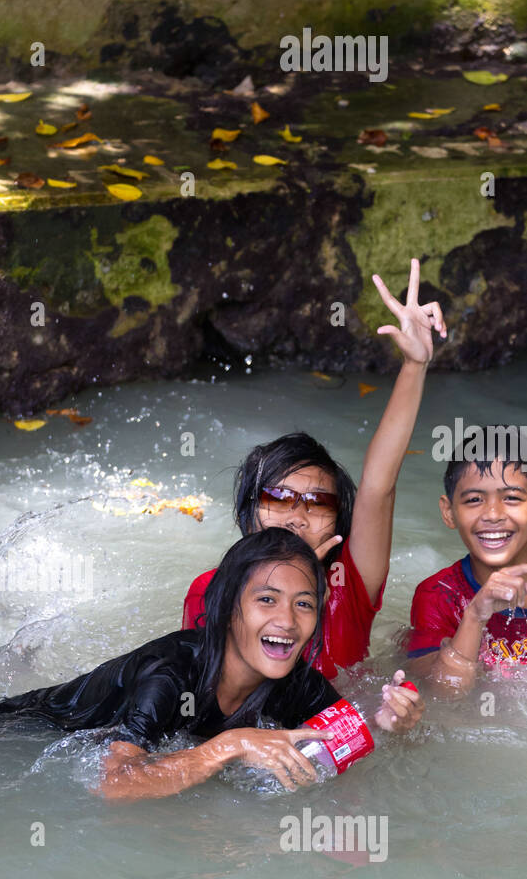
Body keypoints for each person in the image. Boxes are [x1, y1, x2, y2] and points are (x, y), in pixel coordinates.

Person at [0, 529, 423, 802]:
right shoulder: (170, 675)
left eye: (303, 605)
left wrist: (385, 724)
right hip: (11, 738)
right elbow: (112, 785)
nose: (287, 622)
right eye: (266, 600)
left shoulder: (295, 681)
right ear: (226, 607)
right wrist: (227, 746)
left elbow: (341, 740)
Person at [181, 258, 446, 678]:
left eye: (318, 504)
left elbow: (379, 486)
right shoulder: (211, 590)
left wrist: (414, 366)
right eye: (279, 497)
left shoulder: (349, 586)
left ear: (338, 522)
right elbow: (210, 691)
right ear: (249, 514)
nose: (297, 515)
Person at [406, 454, 527, 695]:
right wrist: (474, 616)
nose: (493, 514)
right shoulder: (439, 596)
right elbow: (447, 695)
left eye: (512, 498)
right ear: (449, 512)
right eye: (474, 500)